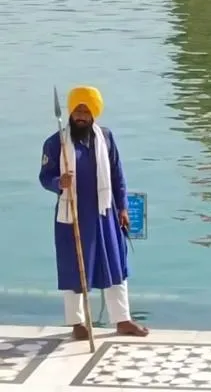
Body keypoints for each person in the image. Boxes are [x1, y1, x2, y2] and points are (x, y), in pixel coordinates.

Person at [38, 86, 149, 339]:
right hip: (73, 215)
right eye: (77, 110)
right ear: (71, 112)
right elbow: (45, 177)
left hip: (105, 214)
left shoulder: (106, 138)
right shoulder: (55, 143)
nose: (81, 116)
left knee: (116, 265)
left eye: (86, 111)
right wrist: (58, 183)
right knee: (74, 267)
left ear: (93, 114)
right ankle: (78, 324)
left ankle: (122, 320)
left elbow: (117, 175)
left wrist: (122, 207)